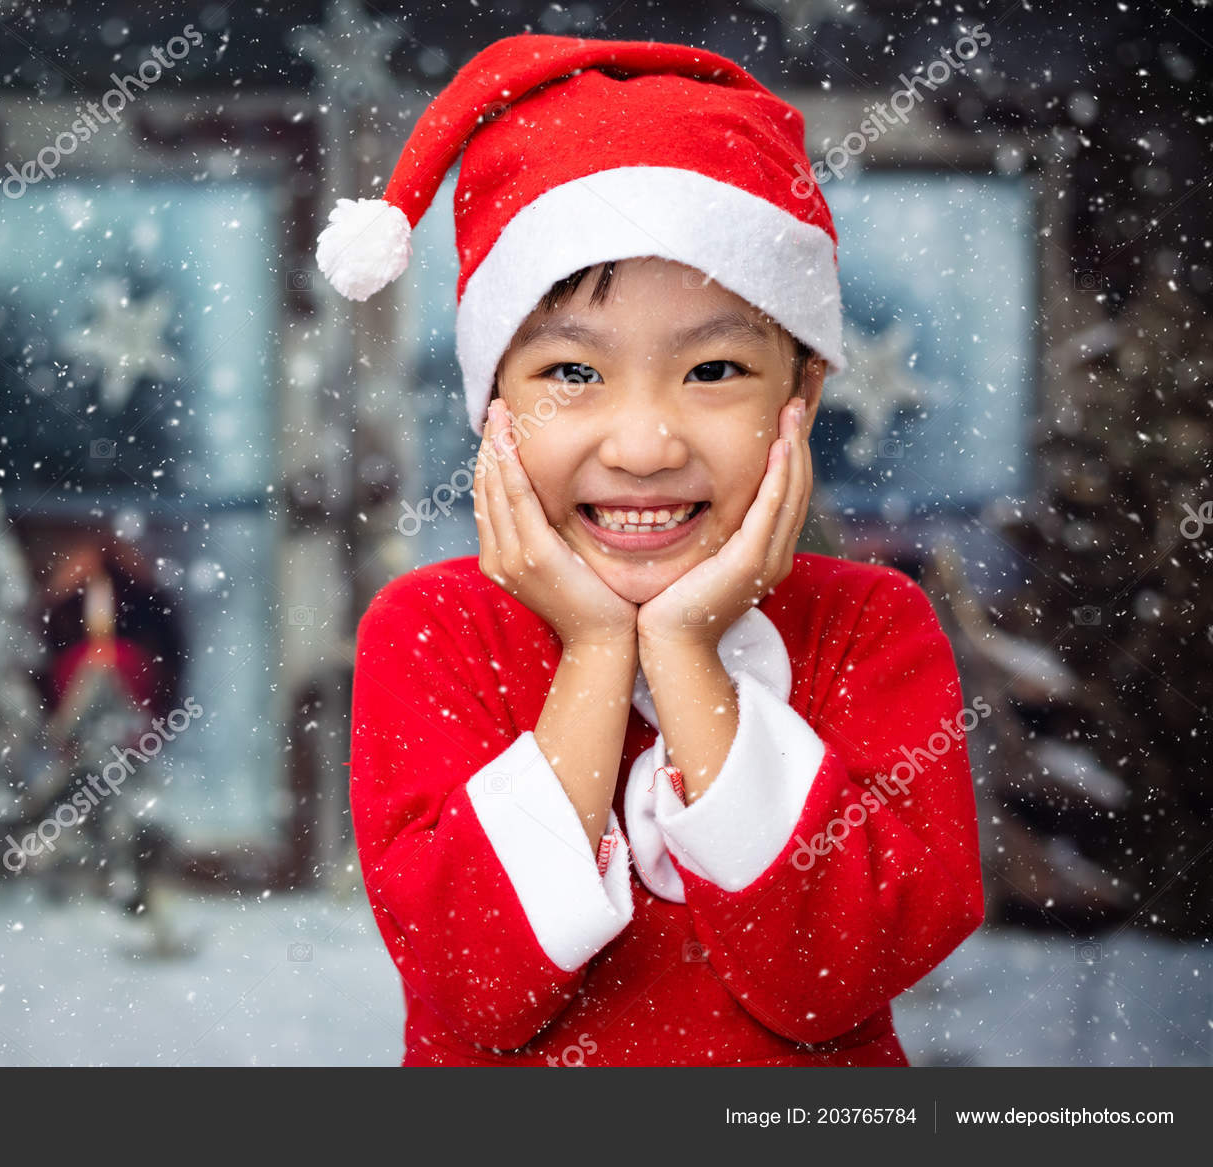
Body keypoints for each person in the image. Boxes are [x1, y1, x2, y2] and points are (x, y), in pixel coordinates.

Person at [329, 34, 985, 1067]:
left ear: (800, 398)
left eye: (714, 367)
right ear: (490, 408)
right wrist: (595, 655)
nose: (644, 446)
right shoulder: (429, 633)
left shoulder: (870, 629)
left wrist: (683, 652)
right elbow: (475, 990)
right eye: (571, 374)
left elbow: (834, 981)